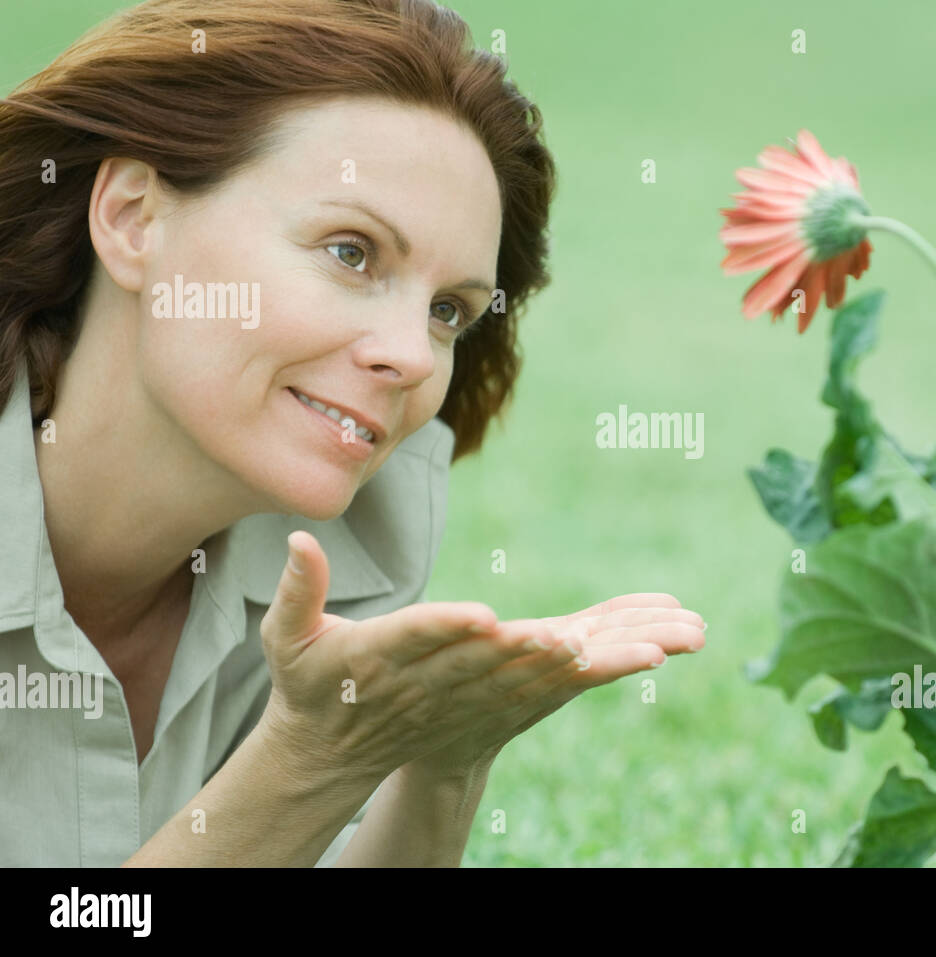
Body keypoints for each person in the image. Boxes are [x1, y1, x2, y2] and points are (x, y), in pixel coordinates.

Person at [0, 0, 705, 867]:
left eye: (449, 311)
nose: (413, 357)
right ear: (134, 216)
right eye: (351, 252)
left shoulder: (340, 542)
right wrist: (309, 760)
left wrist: (445, 757)